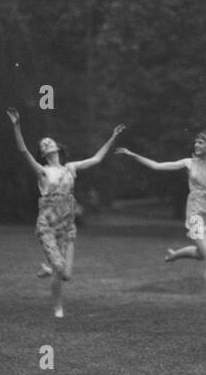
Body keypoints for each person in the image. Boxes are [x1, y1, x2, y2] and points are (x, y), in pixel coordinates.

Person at [115, 114, 206, 319]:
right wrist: (132, 155)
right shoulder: (188, 163)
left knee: (201, 254)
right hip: (195, 214)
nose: (196, 144)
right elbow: (157, 166)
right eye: (196, 141)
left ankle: (174, 254)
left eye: (200, 142)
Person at [7, 107, 125, 318]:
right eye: (43, 145)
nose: (47, 144)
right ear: (43, 153)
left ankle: (49, 269)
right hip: (48, 225)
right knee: (59, 266)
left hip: (67, 225)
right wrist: (17, 126)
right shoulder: (43, 171)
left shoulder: (70, 168)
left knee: (67, 274)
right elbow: (23, 151)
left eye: (49, 142)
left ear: (57, 147)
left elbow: (96, 159)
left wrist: (112, 137)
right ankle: (57, 308)